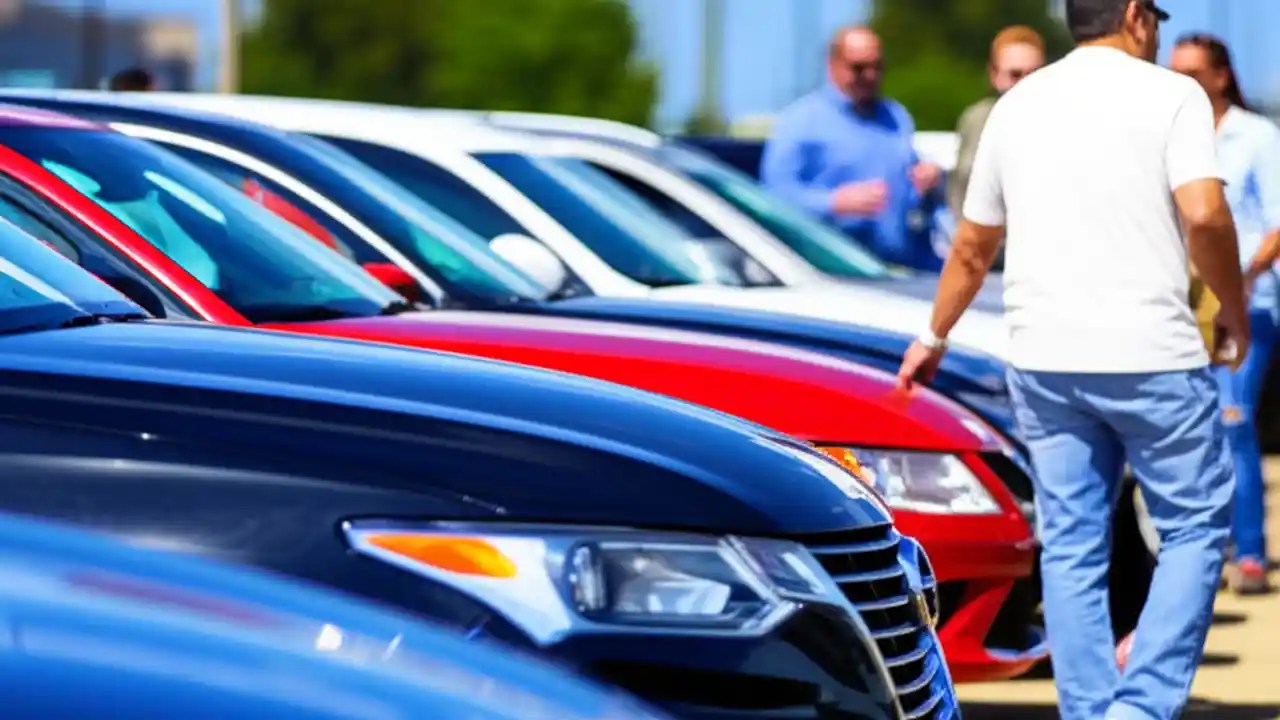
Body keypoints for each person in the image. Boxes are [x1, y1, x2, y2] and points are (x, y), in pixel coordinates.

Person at [895, 1, 1247, 719]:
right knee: (1193, 527)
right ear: (1132, 15)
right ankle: (1141, 706)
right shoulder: (1171, 94)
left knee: (1071, 542)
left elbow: (971, 246)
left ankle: (1090, 708)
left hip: (1046, 356)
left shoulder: (1018, 105)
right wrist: (1232, 312)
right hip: (1152, 352)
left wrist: (932, 338)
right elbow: (1207, 214)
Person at [1171, 33, 1280, 595]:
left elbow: (1276, 226)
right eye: (1174, 71)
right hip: (1177, 306)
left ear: (1220, 76)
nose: (1181, 82)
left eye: (1193, 72)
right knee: (1188, 432)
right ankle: (1202, 549)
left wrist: (1235, 284)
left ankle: (1252, 552)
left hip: (1245, 305)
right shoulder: (1162, 133)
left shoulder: (1256, 136)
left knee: (1233, 422)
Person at [760, 26, 944, 271]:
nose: (869, 76)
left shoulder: (895, 117)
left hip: (898, 269)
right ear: (832, 65)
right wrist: (833, 202)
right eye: (858, 67)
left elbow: (909, 196)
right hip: (832, 271)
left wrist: (927, 184)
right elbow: (772, 198)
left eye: (877, 66)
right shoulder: (800, 121)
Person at [948, 26, 1047, 219]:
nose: (1025, 84)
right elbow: (959, 188)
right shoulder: (975, 120)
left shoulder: (1060, 122)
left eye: (1033, 73)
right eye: (1015, 74)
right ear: (994, 75)